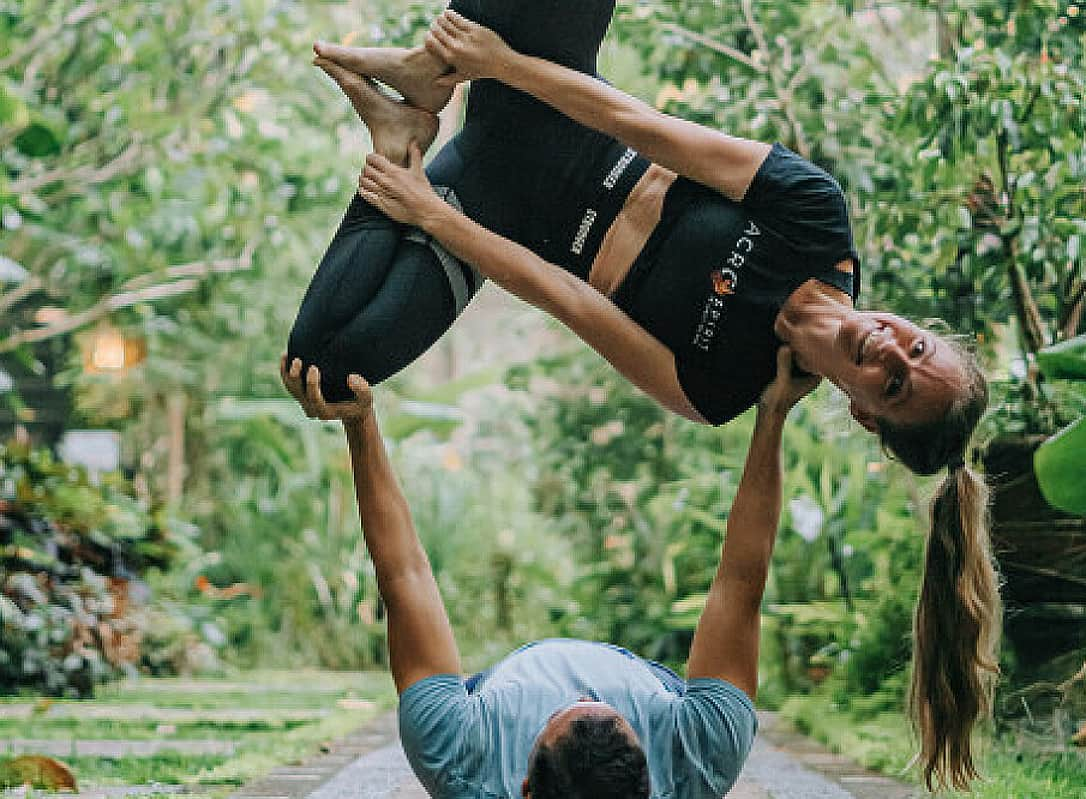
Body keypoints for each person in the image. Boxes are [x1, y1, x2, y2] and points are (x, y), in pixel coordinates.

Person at [287, 1, 1000, 790]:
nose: (890, 350)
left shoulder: (719, 389)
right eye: (918, 344)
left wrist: (426, 210)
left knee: (323, 366)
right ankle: (433, 78)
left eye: (894, 383)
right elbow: (641, 124)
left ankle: (403, 132)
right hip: (545, 104)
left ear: (868, 413)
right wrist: (498, 64)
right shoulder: (814, 217)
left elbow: (568, 296)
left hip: (492, 202)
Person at [279, 347, 818, 798]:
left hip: (499, 701)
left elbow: (404, 576)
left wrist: (359, 421)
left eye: (570, 710)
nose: (581, 693)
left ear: (522, 788)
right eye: (601, 708)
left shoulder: (461, 759)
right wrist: (773, 414)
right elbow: (740, 583)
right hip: (656, 696)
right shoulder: (699, 758)